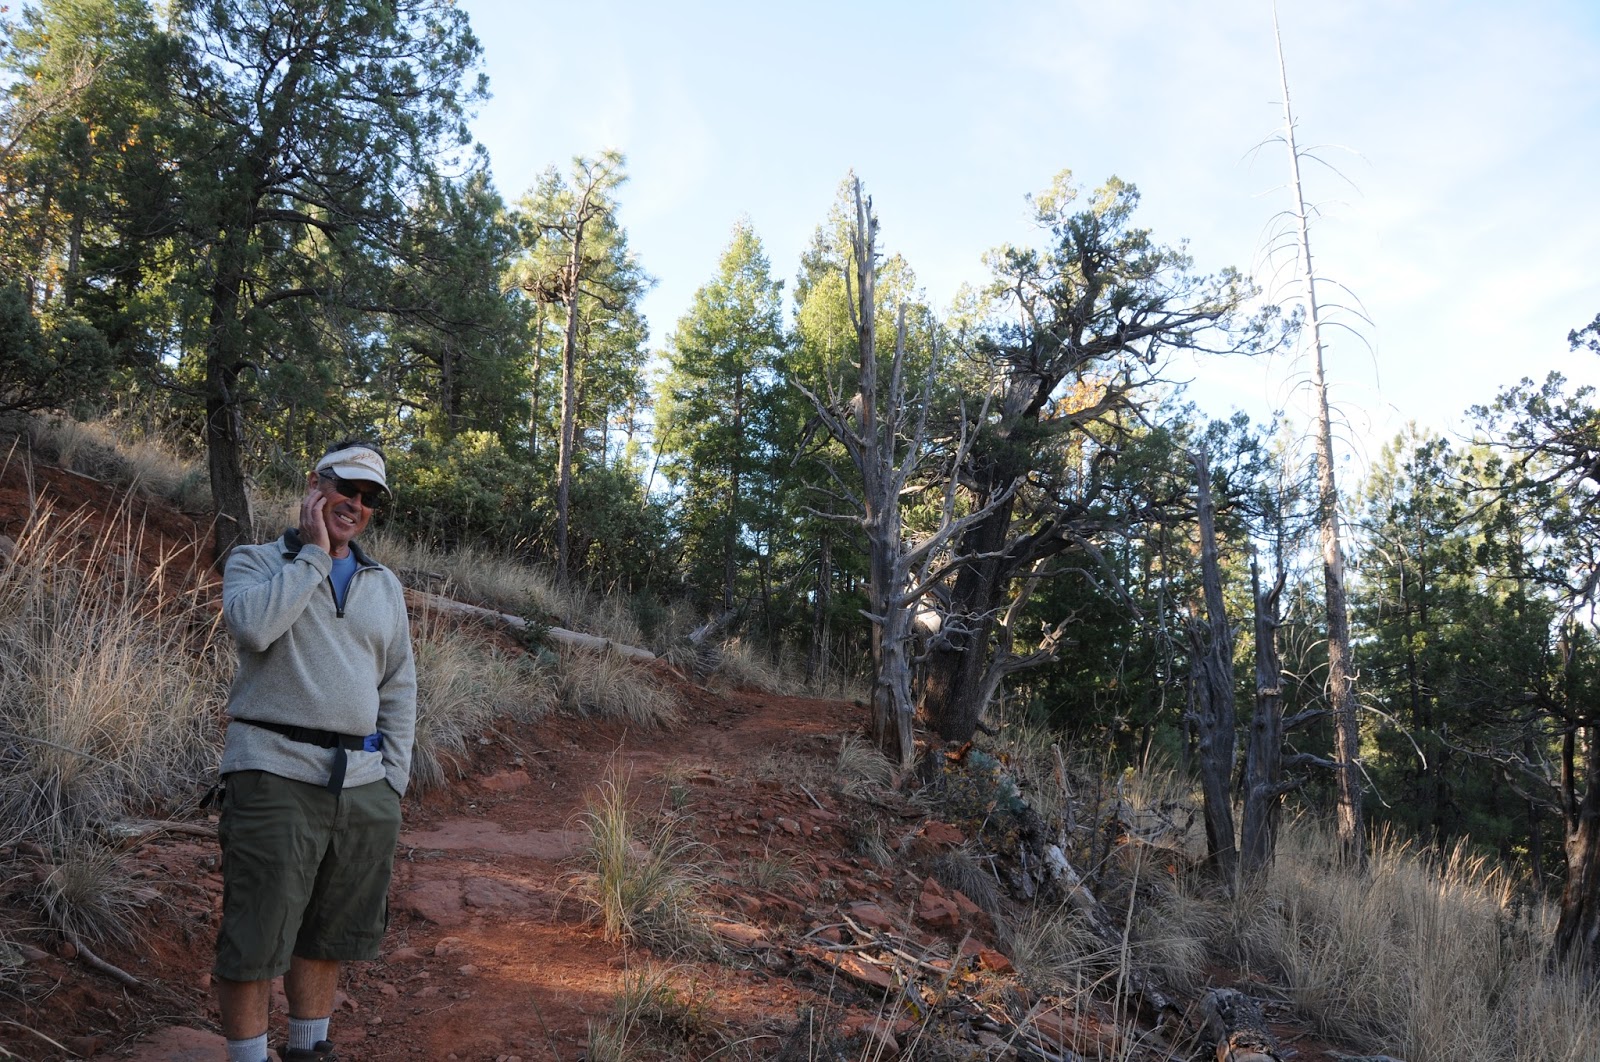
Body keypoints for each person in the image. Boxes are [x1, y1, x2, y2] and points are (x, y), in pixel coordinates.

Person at [212, 440, 416, 1062]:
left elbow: (399, 683)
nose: (354, 505)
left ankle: (309, 1051)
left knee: (326, 935)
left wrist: (393, 780)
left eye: (368, 498)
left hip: (361, 786)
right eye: (345, 489)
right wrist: (311, 559)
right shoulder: (255, 562)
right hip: (273, 771)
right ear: (314, 485)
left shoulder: (384, 585)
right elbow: (252, 627)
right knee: (255, 937)